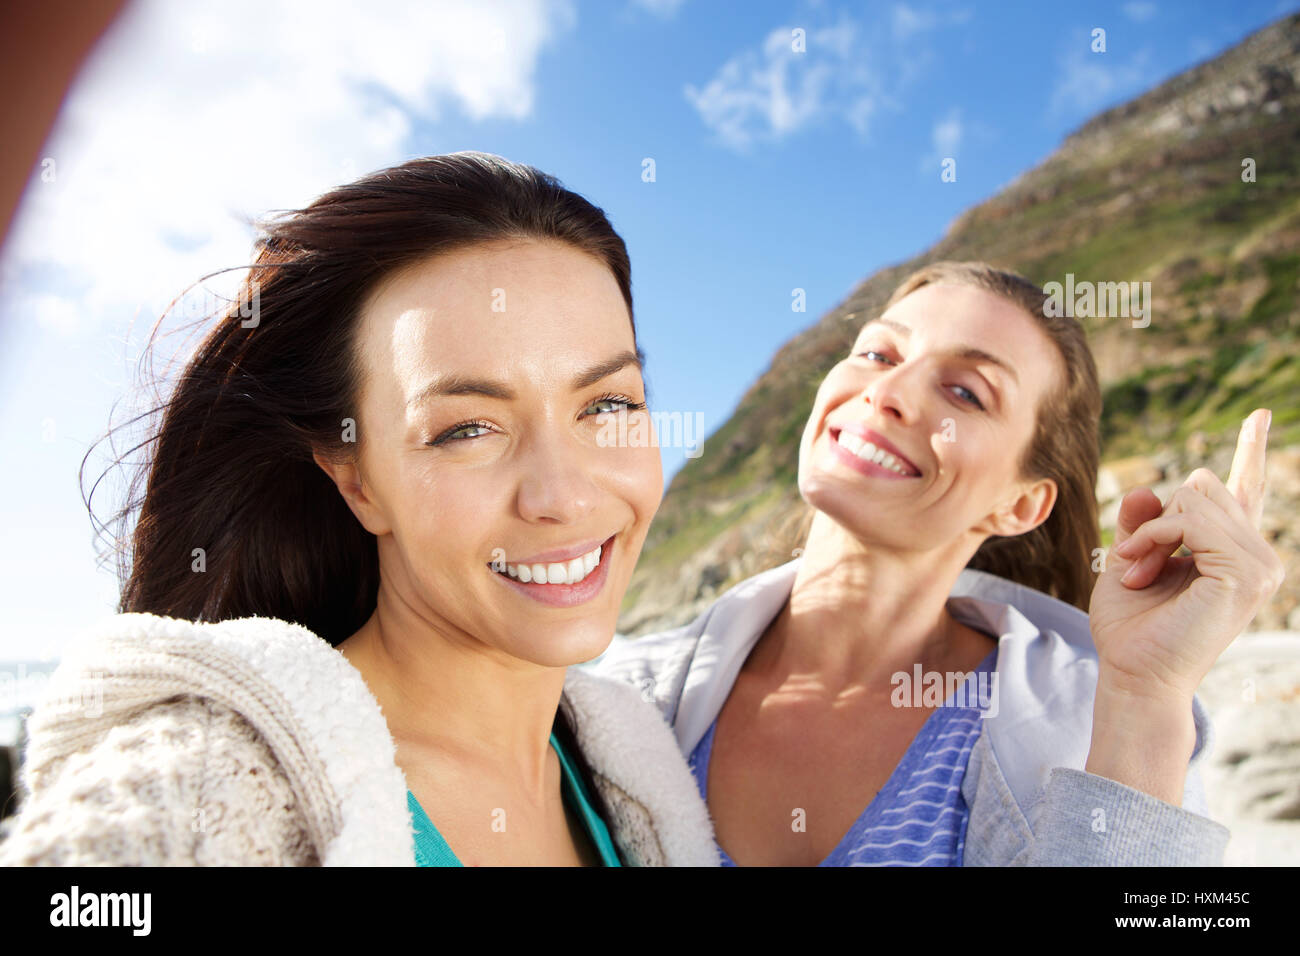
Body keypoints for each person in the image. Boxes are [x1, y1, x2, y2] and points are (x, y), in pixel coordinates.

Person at [0, 152, 720, 867]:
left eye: (608, 404)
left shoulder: (639, 772)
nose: (564, 496)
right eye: (467, 429)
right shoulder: (207, 782)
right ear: (357, 481)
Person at [593, 261, 1284, 866]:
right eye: (879, 353)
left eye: (966, 393)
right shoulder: (617, 702)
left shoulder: (1094, 727)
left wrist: (1145, 695)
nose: (887, 392)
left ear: (1020, 504)